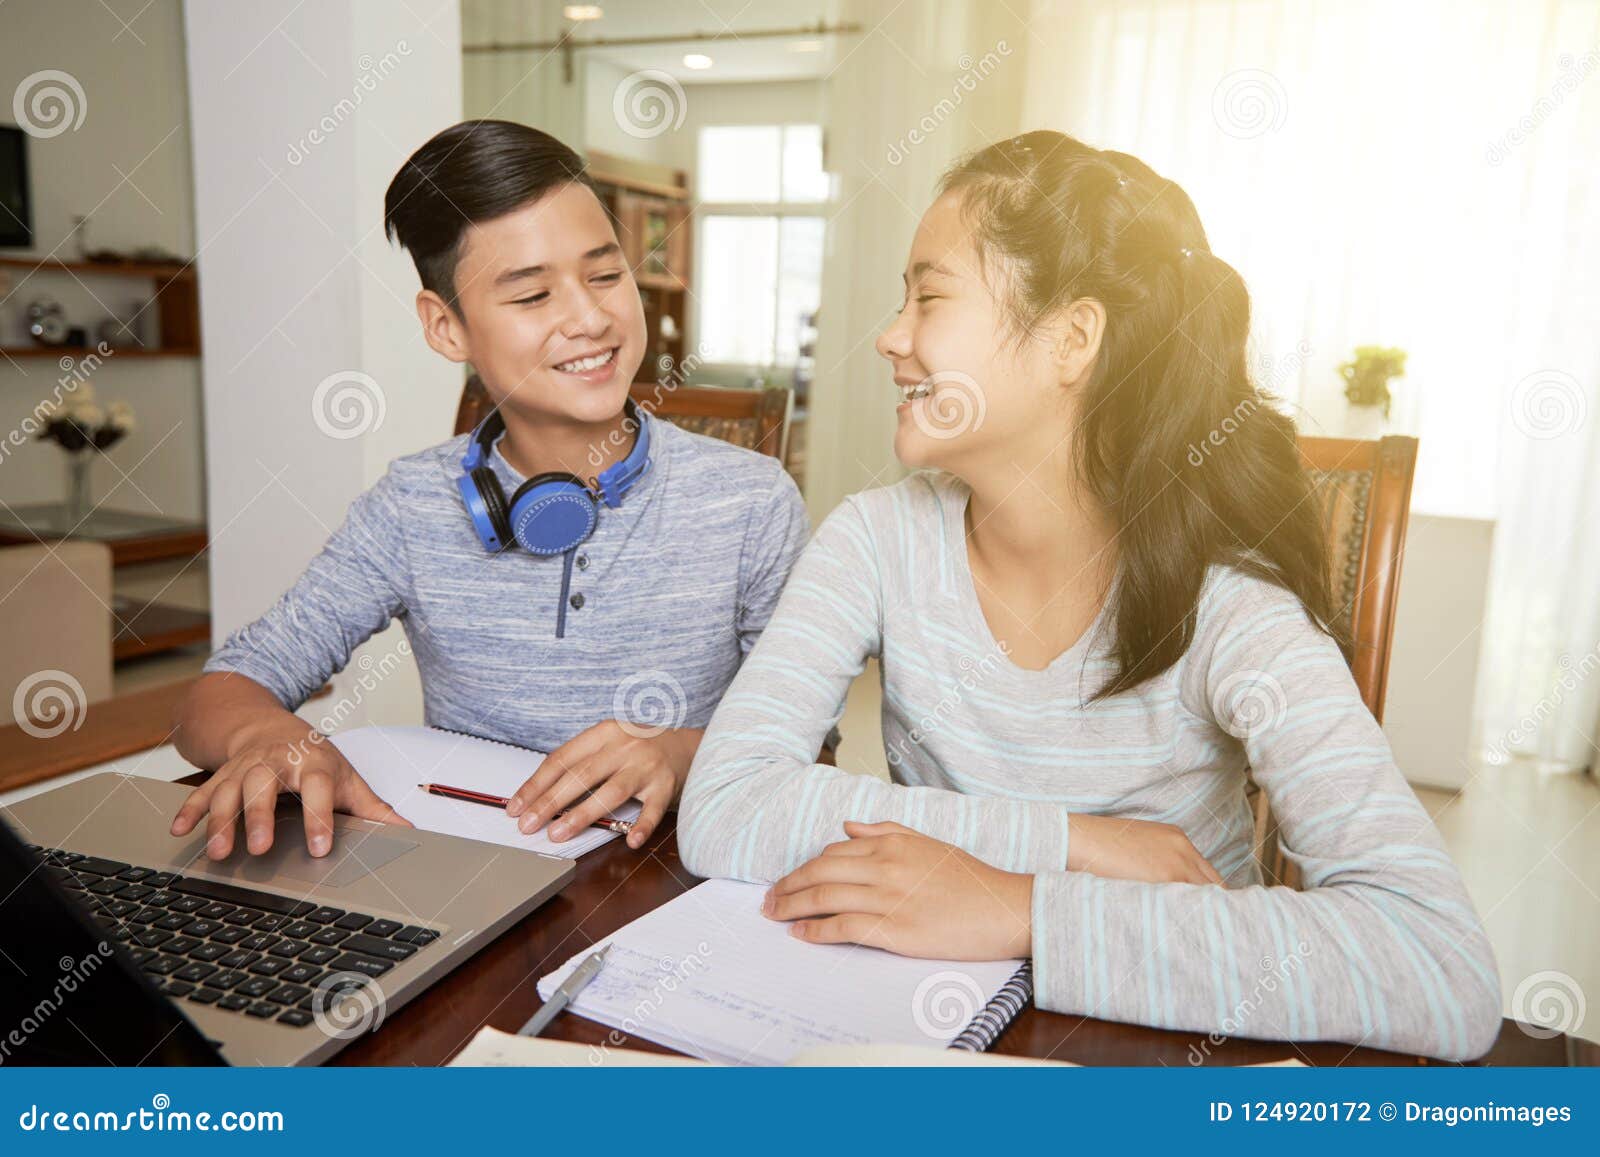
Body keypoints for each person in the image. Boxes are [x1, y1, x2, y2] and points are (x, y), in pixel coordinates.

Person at [678, 131, 1501, 1060]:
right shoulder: (875, 538)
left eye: (931, 296)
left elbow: (1441, 965)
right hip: (924, 1028)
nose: (889, 336)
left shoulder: (1228, 597)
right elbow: (727, 803)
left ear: (1072, 338)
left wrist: (1017, 902)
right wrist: (1074, 842)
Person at [170, 120, 808, 861]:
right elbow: (215, 694)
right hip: (478, 878)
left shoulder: (752, 501)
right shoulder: (412, 504)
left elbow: (807, 741)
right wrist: (265, 736)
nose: (592, 317)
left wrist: (680, 751)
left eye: (605, 275)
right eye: (534, 295)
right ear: (447, 329)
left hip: (671, 877)